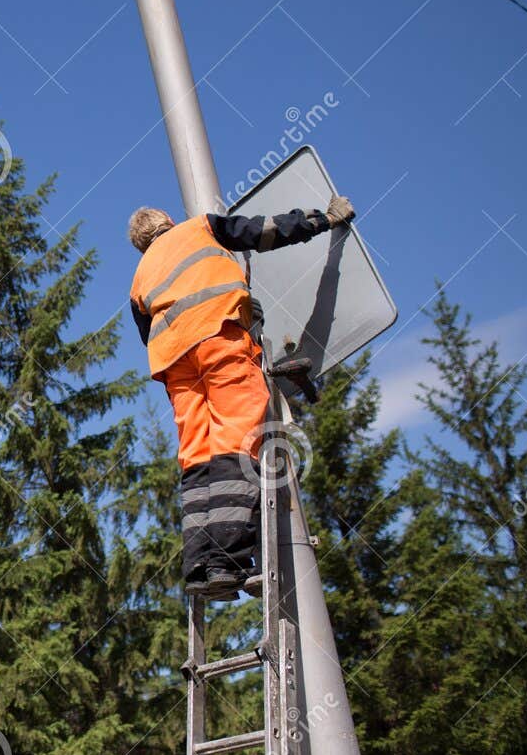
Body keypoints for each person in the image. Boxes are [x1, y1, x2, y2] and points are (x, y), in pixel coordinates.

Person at [127, 196, 356, 597]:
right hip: (218, 337)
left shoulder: (140, 275)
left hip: (174, 363)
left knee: (197, 455)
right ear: (166, 220)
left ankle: (198, 564)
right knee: (236, 439)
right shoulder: (199, 228)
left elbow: (146, 332)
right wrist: (322, 219)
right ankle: (225, 559)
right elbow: (265, 230)